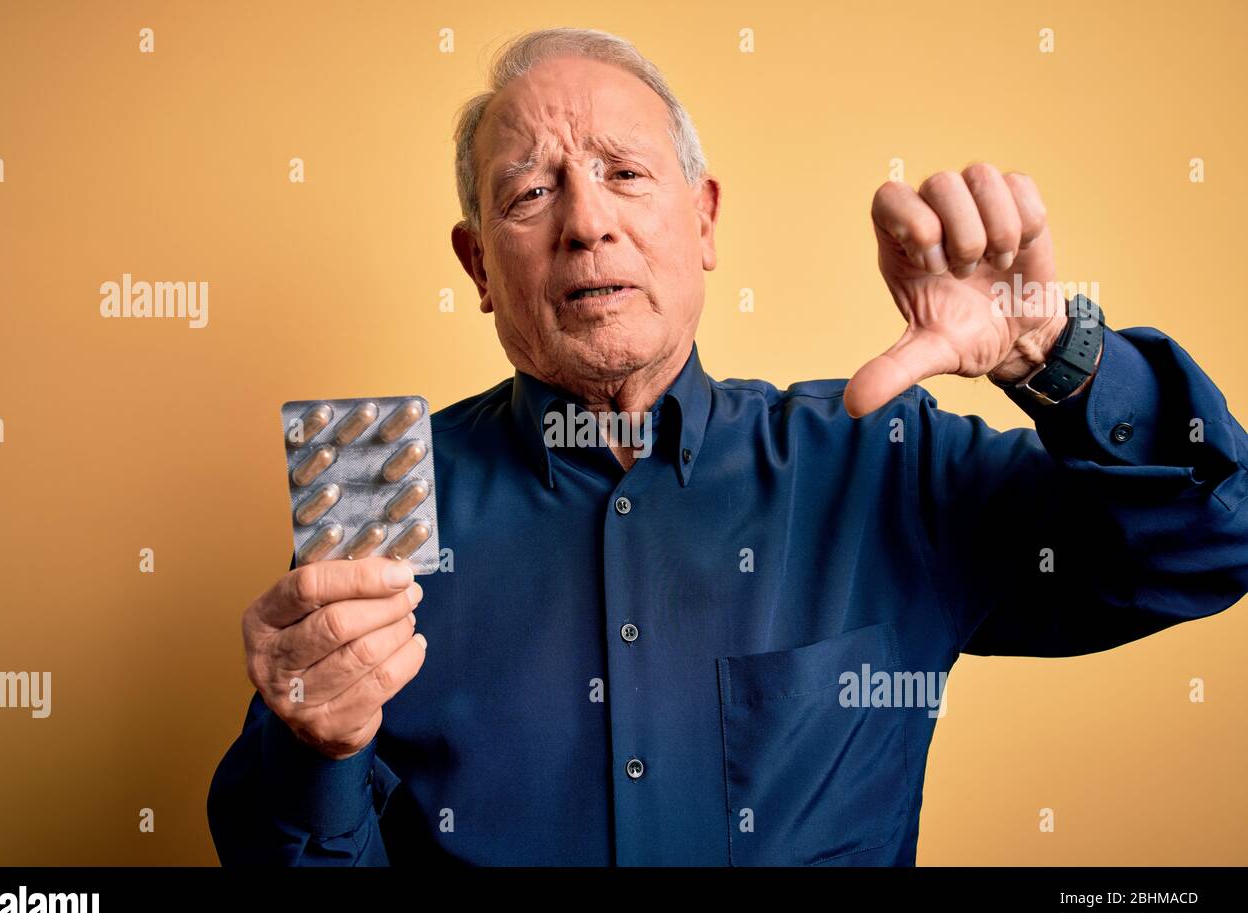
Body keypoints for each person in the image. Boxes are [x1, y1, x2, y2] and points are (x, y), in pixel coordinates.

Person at [208, 27, 1248, 865]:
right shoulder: (382, 509)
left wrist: (1053, 353)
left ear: (703, 222)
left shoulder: (882, 467)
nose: (584, 224)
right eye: (529, 192)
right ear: (478, 264)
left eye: (625, 173)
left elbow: (1210, 547)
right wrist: (311, 743)